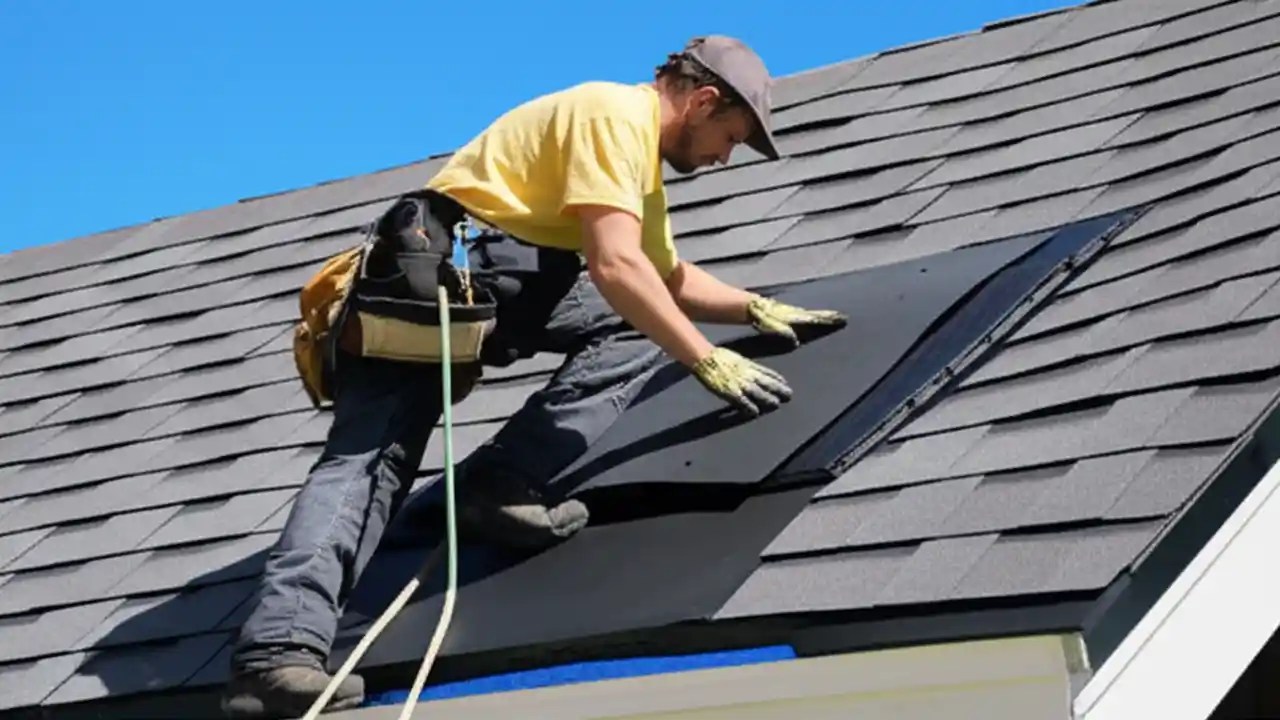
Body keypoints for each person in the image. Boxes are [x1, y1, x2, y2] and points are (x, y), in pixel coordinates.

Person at [221, 35, 846, 718]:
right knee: (368, 468)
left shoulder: (633, 154)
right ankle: (278, 654)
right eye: (729, 136)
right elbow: (615, 268)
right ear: (701, 101)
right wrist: (702, 356)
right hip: (437, 282)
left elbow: (662, 275)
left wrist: (752, 307)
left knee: (638, 318)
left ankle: (495, 484)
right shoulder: (613, 118)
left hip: (490, 281)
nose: (724, 157)